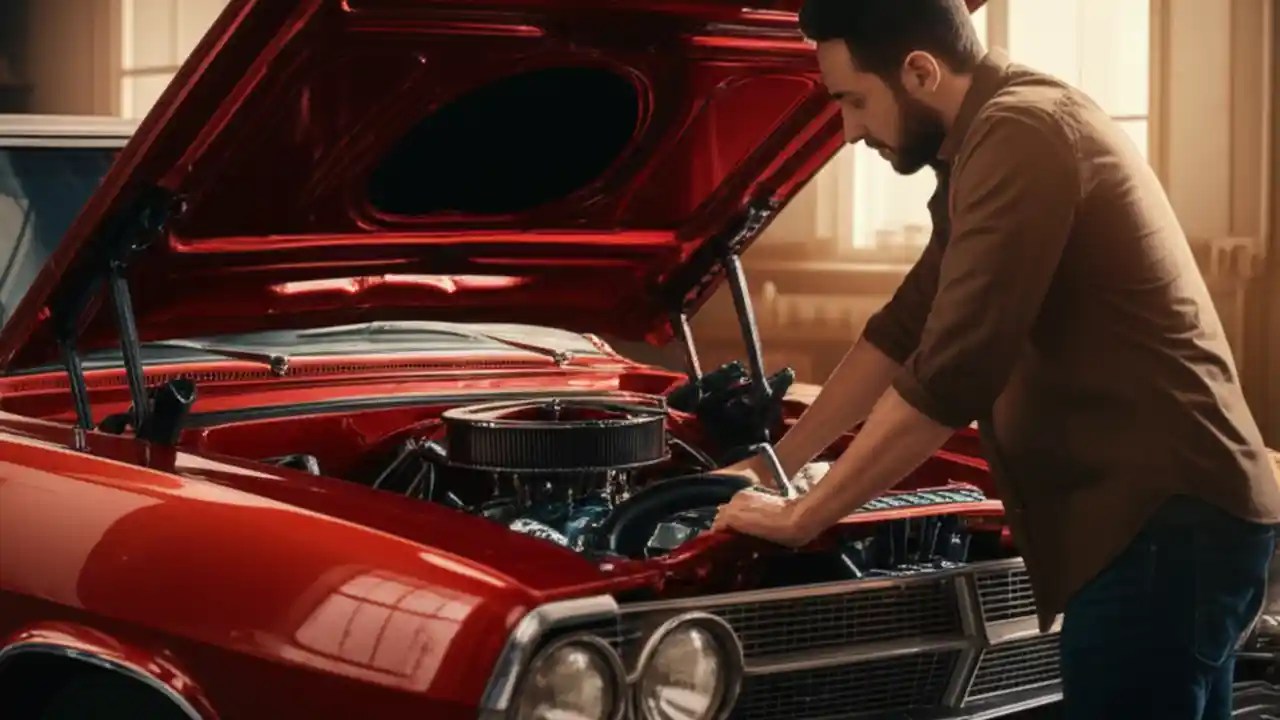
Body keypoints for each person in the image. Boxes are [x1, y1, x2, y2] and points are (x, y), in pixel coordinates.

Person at [709, 0, 1280, 717]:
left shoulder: (1023, 133)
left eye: (853, 101)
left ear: (919, 70)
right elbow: (902, 330)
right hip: (1173, 520)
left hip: (1163, 525)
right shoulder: (991, 137)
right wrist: (778, 464)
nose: (849, 132)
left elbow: (952, 375)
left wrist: (804, 517)